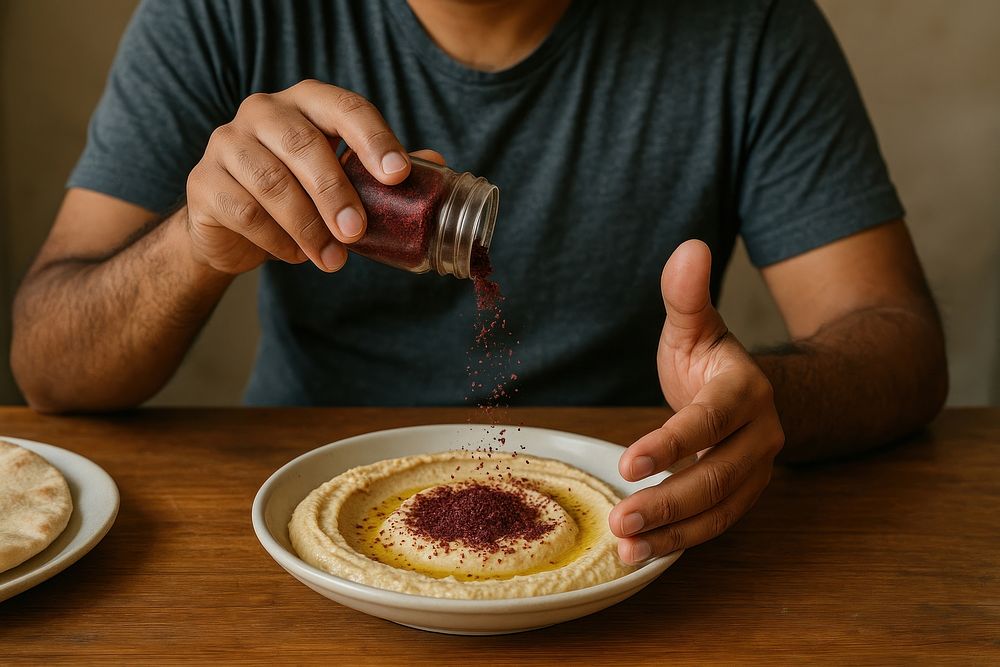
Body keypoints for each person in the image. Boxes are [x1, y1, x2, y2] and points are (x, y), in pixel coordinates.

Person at [10, 0, 947, 565]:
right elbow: (49, 366)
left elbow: (898, 342)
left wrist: (761, 398)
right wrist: (194, 243)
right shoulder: (224, 13)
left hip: (628, 518)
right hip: (295, 522)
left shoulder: (749, 26)